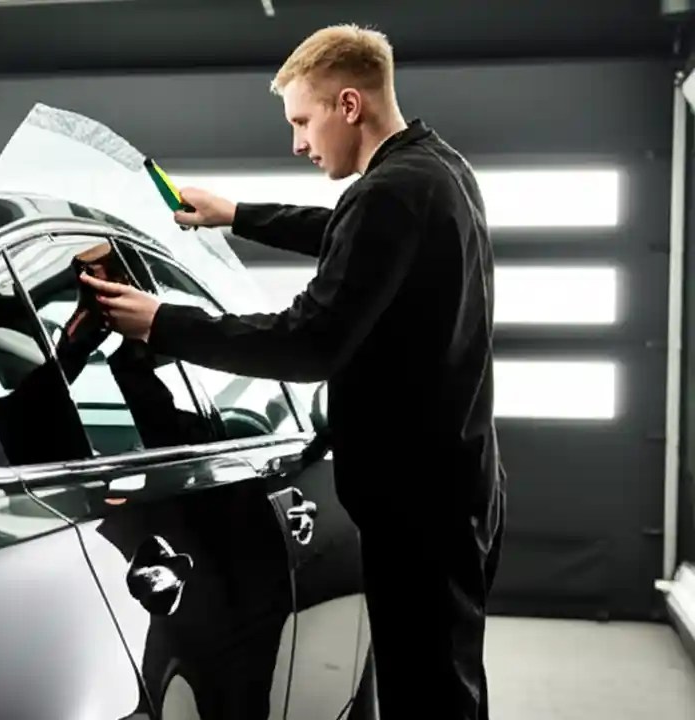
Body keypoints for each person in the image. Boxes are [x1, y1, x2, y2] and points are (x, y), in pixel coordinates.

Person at [79, 23, 506, 720]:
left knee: (427, 697)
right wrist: (235, 215)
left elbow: (305, 344)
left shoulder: (392, 193)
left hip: (420, 505)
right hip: (455, 483)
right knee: (446, 681)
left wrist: (160, 323)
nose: (299, 144)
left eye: (303, 122)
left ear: (347, 106)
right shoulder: (434, 168)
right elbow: (347, 232)